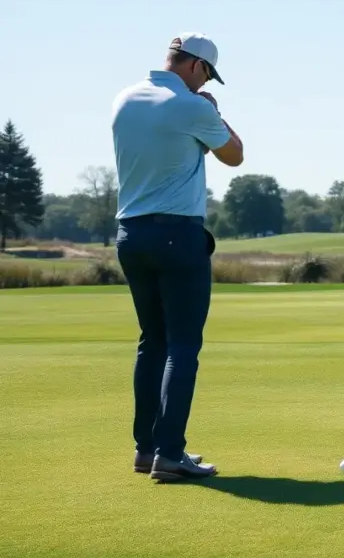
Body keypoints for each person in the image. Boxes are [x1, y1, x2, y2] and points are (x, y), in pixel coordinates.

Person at [112, 32, 244, 481]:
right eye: (207, 73)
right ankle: (171, 454)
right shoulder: (194, 106)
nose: (205, 82)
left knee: (153, 342)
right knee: (183, 345)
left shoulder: (125, 99)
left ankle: (146, 450)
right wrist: (214, 111)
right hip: (177, 235)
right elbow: (235, 155)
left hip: (130, 234)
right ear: (195, 67)